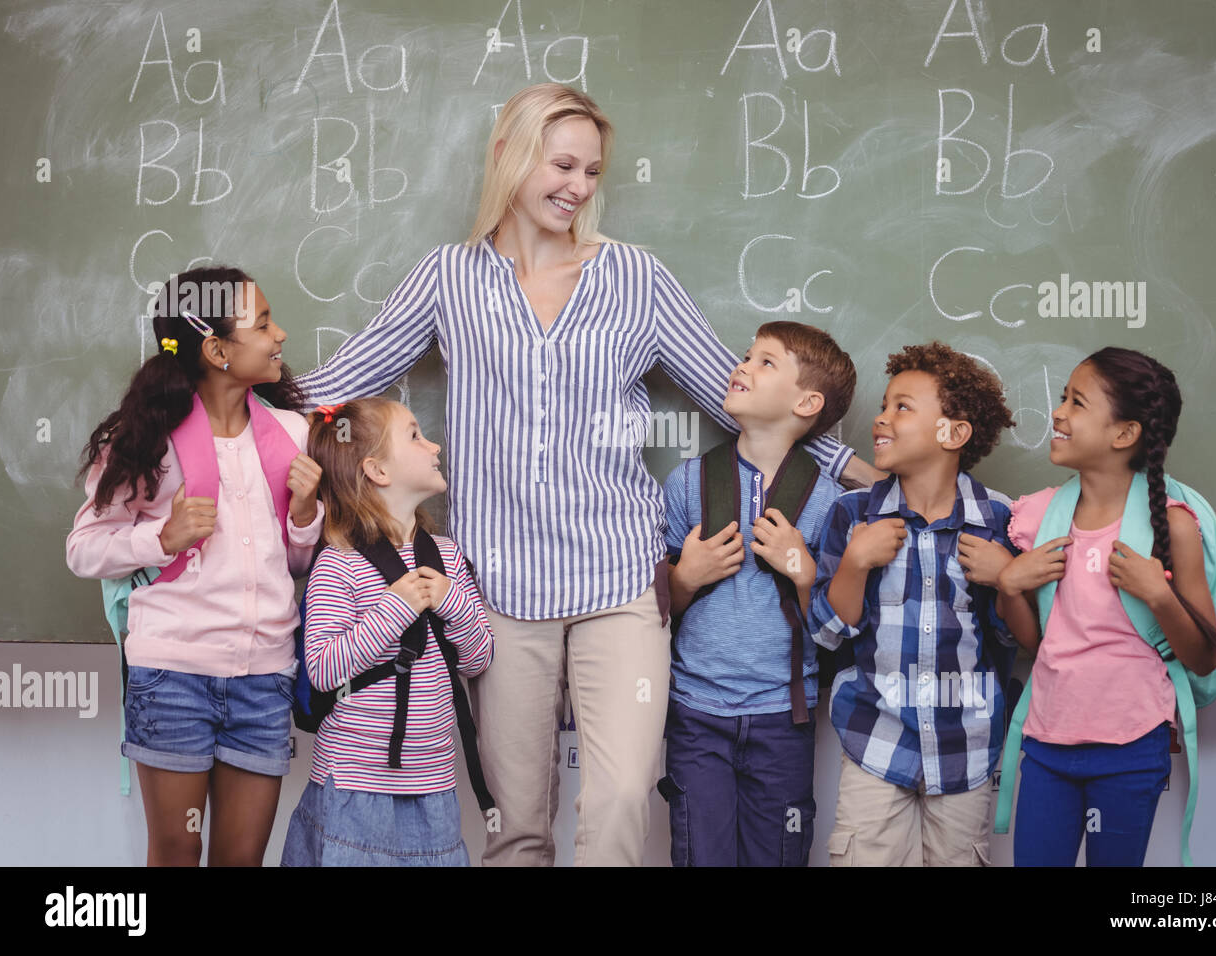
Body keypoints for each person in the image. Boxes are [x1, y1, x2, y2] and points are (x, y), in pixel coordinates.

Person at [295, 83, 883, 865]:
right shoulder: (449, 276)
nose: (576, 186)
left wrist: (850, 468)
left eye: (592, 171)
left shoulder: (635, 278)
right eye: (561, 163)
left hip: (619, 582)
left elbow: (727, 388)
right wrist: (230, 403)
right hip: (499, 589)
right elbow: (347, 377)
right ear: (510, 155)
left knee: (619, 798)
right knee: (517, 820)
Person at [67, 267, 323, 866]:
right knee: (177, 850)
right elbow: (83, 547)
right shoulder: (149, 440)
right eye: (262, 324)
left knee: (240, 858)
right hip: (173, 676)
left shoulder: (290, 434)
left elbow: (294, 562)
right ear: (216, 350)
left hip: (264, 682)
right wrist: (163, 536)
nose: (280, 334)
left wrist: (306, 514)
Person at [996, 347, 1216, 866]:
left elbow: (1204, 658)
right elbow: (1036, 643)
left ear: (1124, 434)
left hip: (1130, 748)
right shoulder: (1039, 516)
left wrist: (1158, 594)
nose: (1057, 412)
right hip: (1046, 743)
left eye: (1076, 403)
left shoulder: (1173, 526)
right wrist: (1008, 587)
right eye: (1063, 398)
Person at [809, 341, 1026, 866]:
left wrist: (1007, 578)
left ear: (953, 432)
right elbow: (826, 630)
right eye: (884, 406)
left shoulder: (999, 519)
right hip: (875, 742)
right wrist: (855, 563)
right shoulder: (852, 514)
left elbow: (1009, 637)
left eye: (901, 407)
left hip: (967, 751)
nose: (881, 420)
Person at [659, 321, 853, 866]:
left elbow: (838, 624)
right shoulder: (687, 482)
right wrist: (685, 577)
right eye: (747, 356)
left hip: (783, 716)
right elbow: (660, 611)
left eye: (766, 362)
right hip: (696, 711)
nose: (742, 366)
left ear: (807, 401)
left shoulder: (829, 501)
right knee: (702, 855)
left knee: (780, 856)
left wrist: (805, 571)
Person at [281, 397, 494, 866]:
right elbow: (322, 669)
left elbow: (478, 659)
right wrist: (395, 609)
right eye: (415, 435)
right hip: (353, 787)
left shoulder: (448, 557)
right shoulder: (339, 562)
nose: (434, 445)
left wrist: (451, 602)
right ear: (376, 470)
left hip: (433, 785)